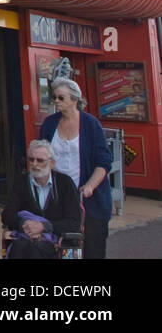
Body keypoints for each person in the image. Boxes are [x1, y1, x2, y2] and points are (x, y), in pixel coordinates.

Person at [39, 77, 113, 259]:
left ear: (74, 100)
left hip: (88, 197)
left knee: (92, 246)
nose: (56, 101)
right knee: (57, 245)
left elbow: (103, 161)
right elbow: (40, 155)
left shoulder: (90, 124)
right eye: (54, 98)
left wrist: (90, 186)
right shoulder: (49, 123)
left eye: (61, 98)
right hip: (57, 196)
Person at [1, 139, 82, 259]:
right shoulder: (21, 182)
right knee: (19, 246)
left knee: (35, 250)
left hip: (56, 241)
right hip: (26, 237)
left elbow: (74, 222)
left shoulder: (65, 183)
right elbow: (7, 215)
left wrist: (44, 226)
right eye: (31, 159)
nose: (34, 164)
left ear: (52, 163)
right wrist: (26, 225)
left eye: (40, 160)